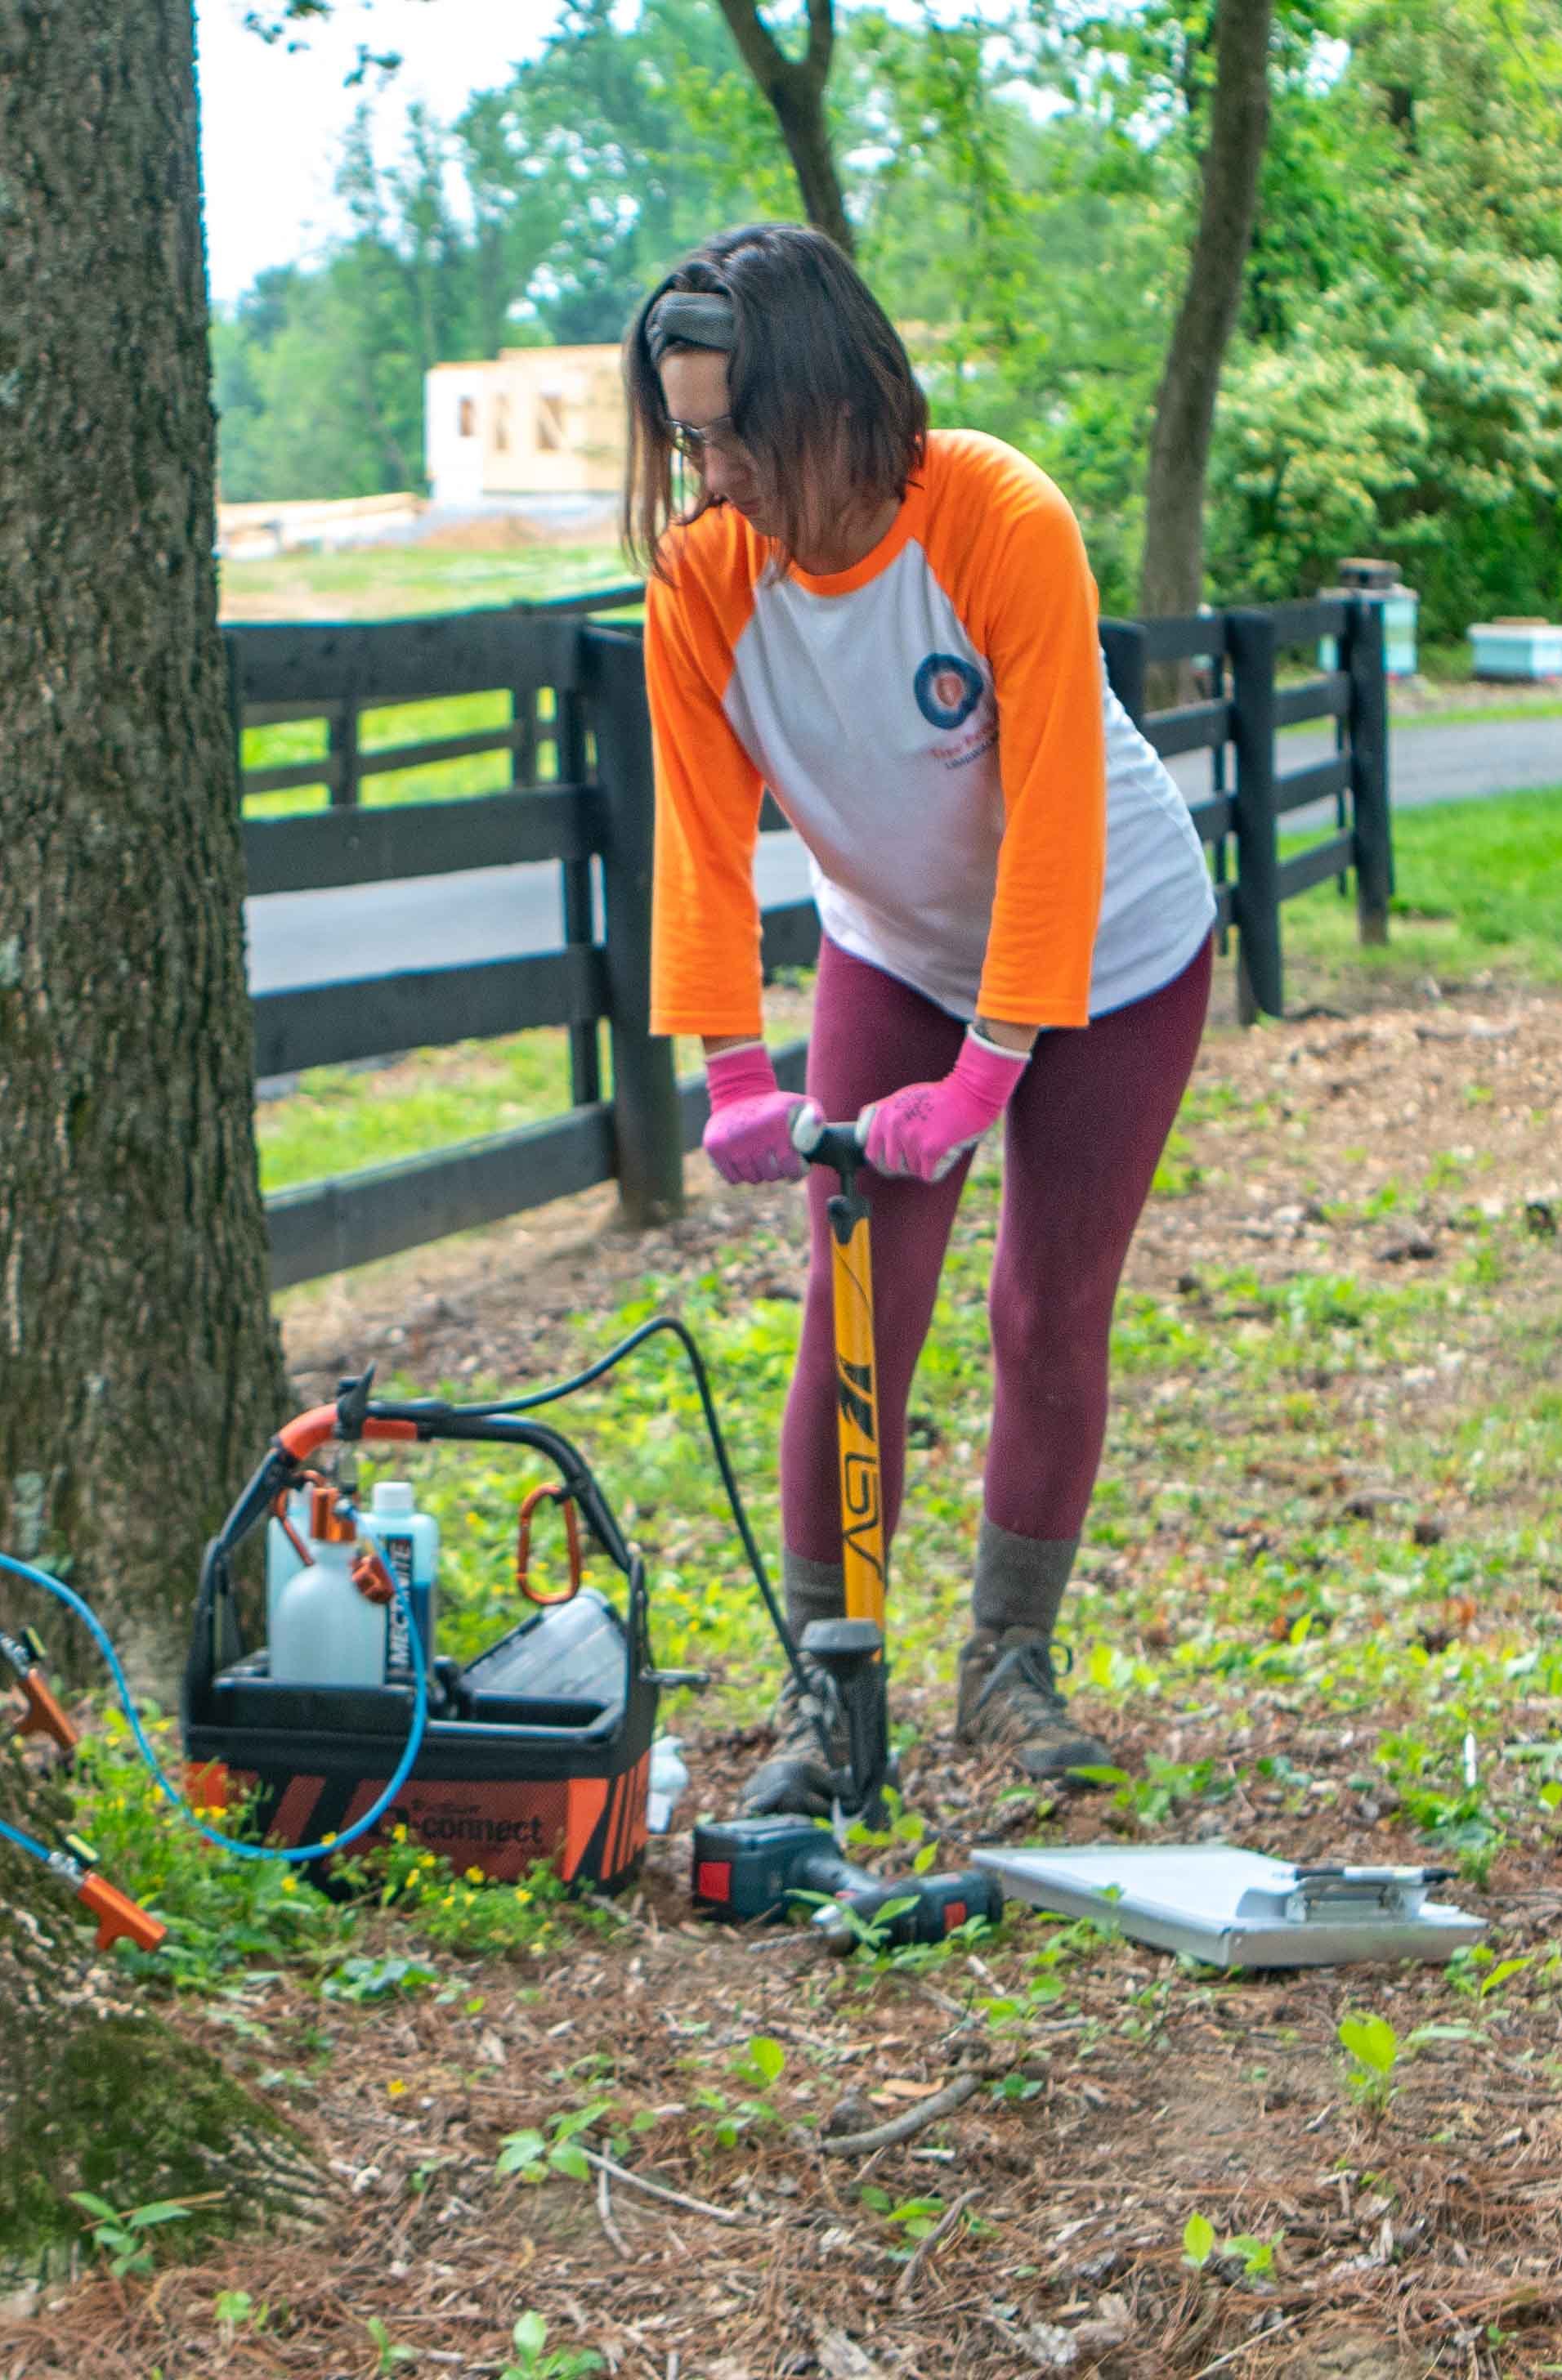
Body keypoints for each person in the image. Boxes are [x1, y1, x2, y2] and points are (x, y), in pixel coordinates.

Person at [624, 223, 1220, 1818]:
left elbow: (1055, 825)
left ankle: (1008, 1663)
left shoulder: (996, 516)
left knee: (1044, 1309)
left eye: (734, 439)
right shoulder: (701, 582)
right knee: (857, 1314)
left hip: (1115, 951)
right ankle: (832, 1686)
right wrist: (732, 1073)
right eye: (686, 442)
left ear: (829, 403)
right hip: (894, 948)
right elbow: (699, 841)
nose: (710, 477)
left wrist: (981, 1080)